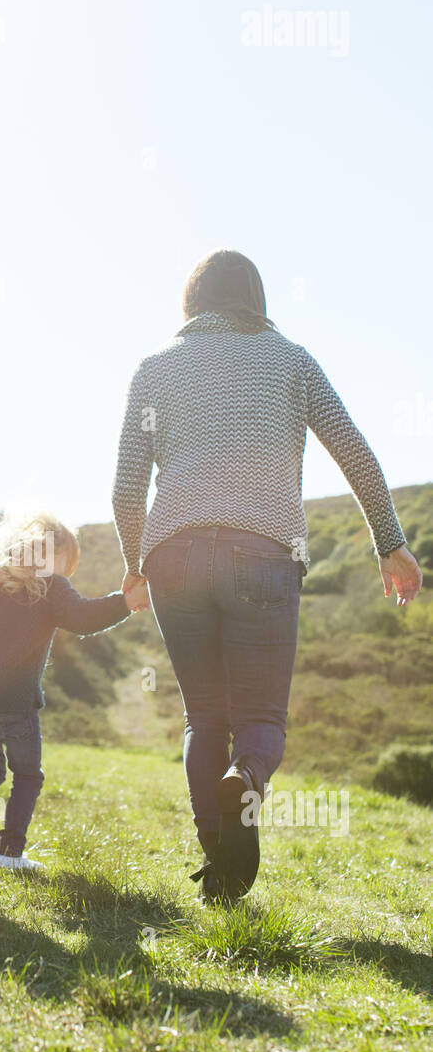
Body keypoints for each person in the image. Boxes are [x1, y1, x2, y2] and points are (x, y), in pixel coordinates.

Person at [112, 249, 422, 904]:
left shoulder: (153, 370)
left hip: (175, 555)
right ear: (255, 299)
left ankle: (215, 869)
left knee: (204, 715)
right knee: (259, 717)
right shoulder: (292, 361)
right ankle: (247, 777)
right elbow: (356, 451)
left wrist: (136, 565)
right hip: (264, 553)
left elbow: (124, 490)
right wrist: (389, 545)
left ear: (191, 302)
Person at [0, 512, 148, 871]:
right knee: (27, 775)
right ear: (54, 554)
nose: (64, 572)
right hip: (16, 703)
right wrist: (126, 602)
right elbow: (84, 618)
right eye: (65, 563)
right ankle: (9, 855)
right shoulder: (52, 588)